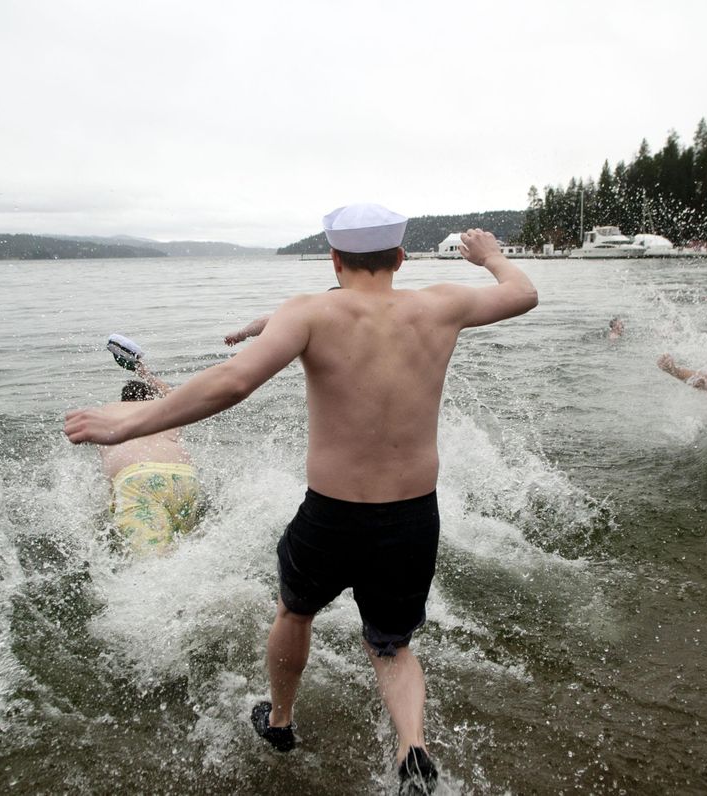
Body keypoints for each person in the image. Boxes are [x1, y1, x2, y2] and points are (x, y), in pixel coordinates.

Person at [65, 204, 538, 791]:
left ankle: (281, 719)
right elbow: (522, 293)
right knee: (391, 647)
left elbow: (233, 381)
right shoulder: (442, 305)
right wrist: (490, 256)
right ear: (400, 257)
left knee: (295, 611)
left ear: (334, 258)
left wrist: (125, 426)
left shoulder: (310, 312)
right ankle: (411, 749)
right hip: (413, 516)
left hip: (332, 515)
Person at [98, 361, 201, 556]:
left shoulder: (108, 412)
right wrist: (143, 371)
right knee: (184, 553)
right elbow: (179, 397)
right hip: (184, 478)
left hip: (137, 481)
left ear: (123, 401)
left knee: (153, 562)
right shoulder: (165, 411)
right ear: (152, 398)